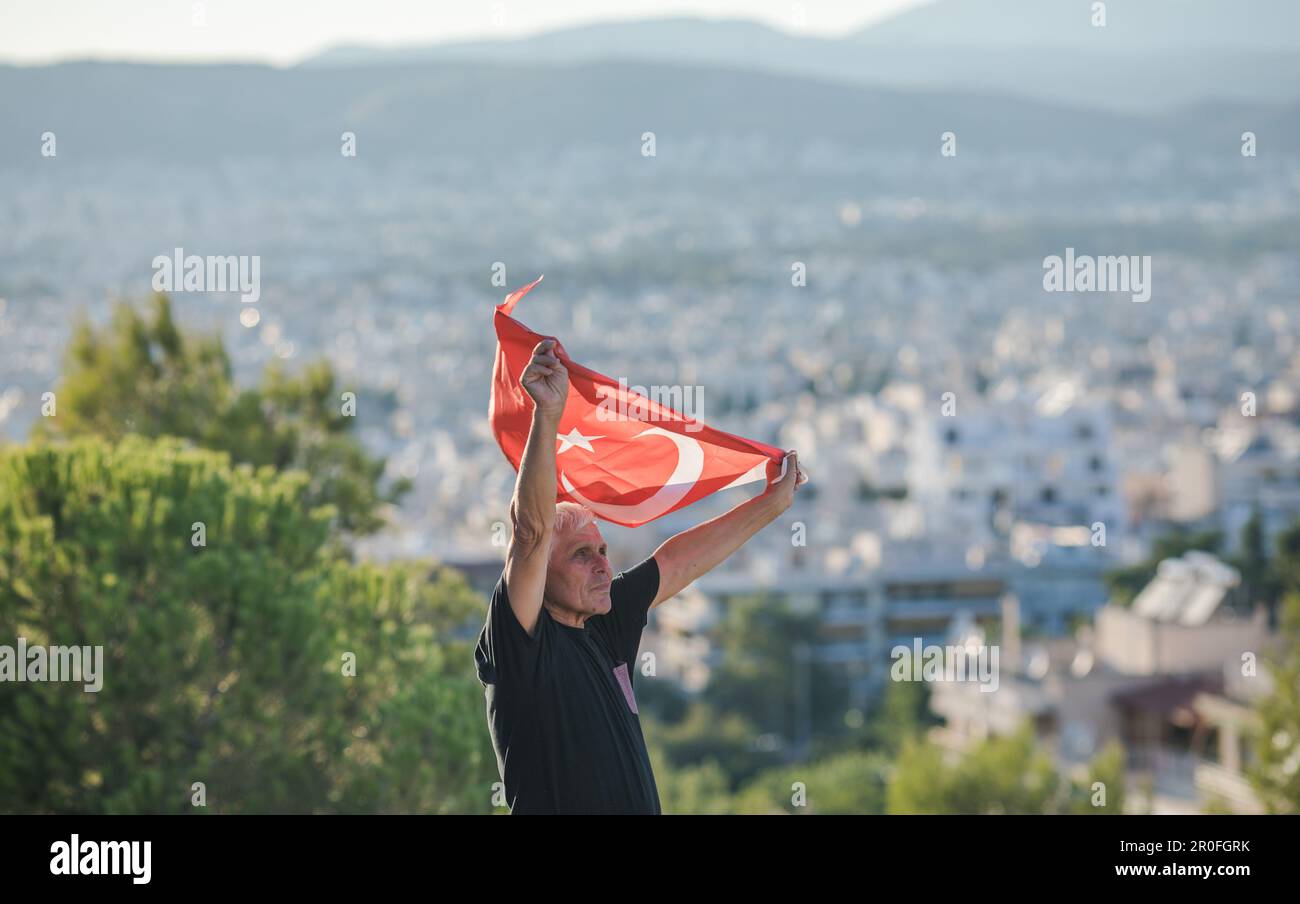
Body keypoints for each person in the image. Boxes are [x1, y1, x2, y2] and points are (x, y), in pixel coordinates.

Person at [475, 338, 807, 814]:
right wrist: (547, 414)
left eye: (604, 551)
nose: (602, 565)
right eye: (581, 555)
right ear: (537, 576)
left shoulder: (603, 624)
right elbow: (530, 532)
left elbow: (675, 564)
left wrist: (770, 504)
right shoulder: (522, 644)